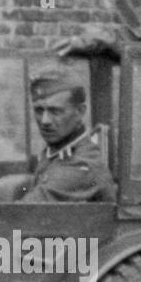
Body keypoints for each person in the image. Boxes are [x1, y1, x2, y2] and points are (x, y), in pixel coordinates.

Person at [9, 68, 117, 203]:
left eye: (55, 111)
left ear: (80, 112)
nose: (45, 121)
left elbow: (17, 216)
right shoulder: (56, 150)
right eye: (39, 110)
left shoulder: (80, 166)